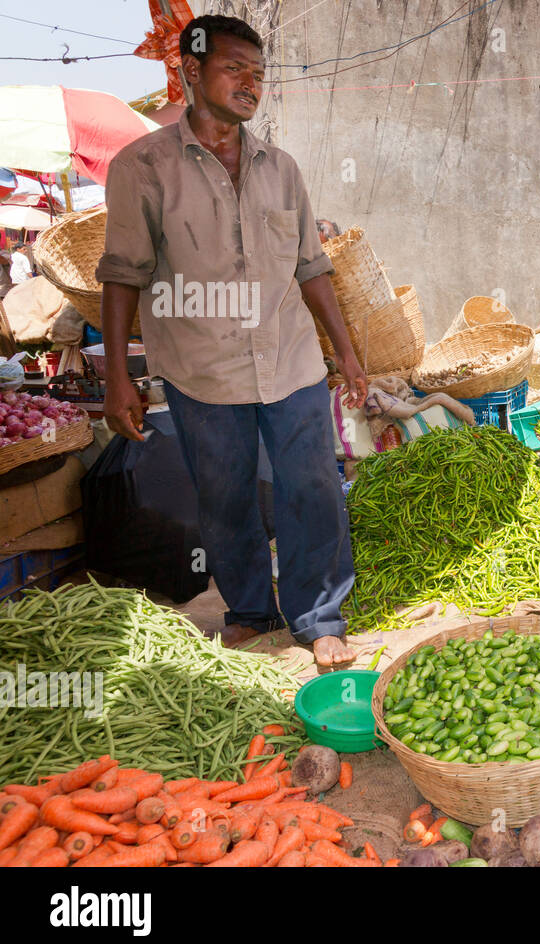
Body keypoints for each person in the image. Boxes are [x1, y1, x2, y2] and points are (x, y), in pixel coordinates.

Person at [95, 15, 366, 666]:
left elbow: (312, 267)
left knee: (312, 487)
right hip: (201, 368)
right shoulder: (143, 168)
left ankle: (318, 613)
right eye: (234, 68)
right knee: (226, 498)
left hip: (291, 359)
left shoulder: (282, 169)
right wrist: (116, 378)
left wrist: (347, 351)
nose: (252, 84)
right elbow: (122, 274)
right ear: (192, 71)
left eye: (259, 73)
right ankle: (248, 609)